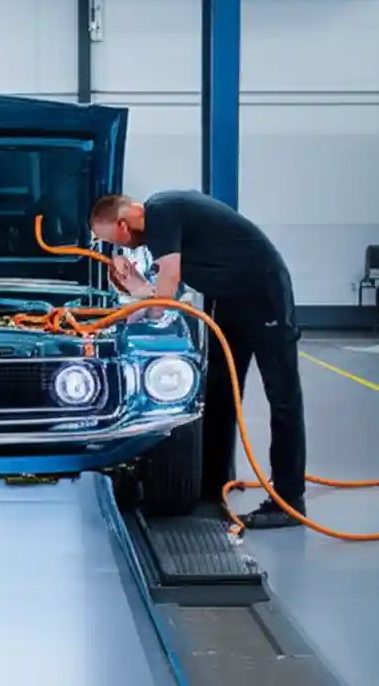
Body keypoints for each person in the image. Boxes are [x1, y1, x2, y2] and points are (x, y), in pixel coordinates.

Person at [89, 190, 307, 529]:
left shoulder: (160, 212)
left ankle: (290, 501)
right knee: (219, 390)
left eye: (111, 239)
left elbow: (170, 279)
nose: (119, 247)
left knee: (282, 397)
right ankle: (212, 485)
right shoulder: (162, 225)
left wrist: (146, 312)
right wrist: (138, 289)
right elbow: (164, 289)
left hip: (263, 293)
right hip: (229, 298)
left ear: (122, 222)